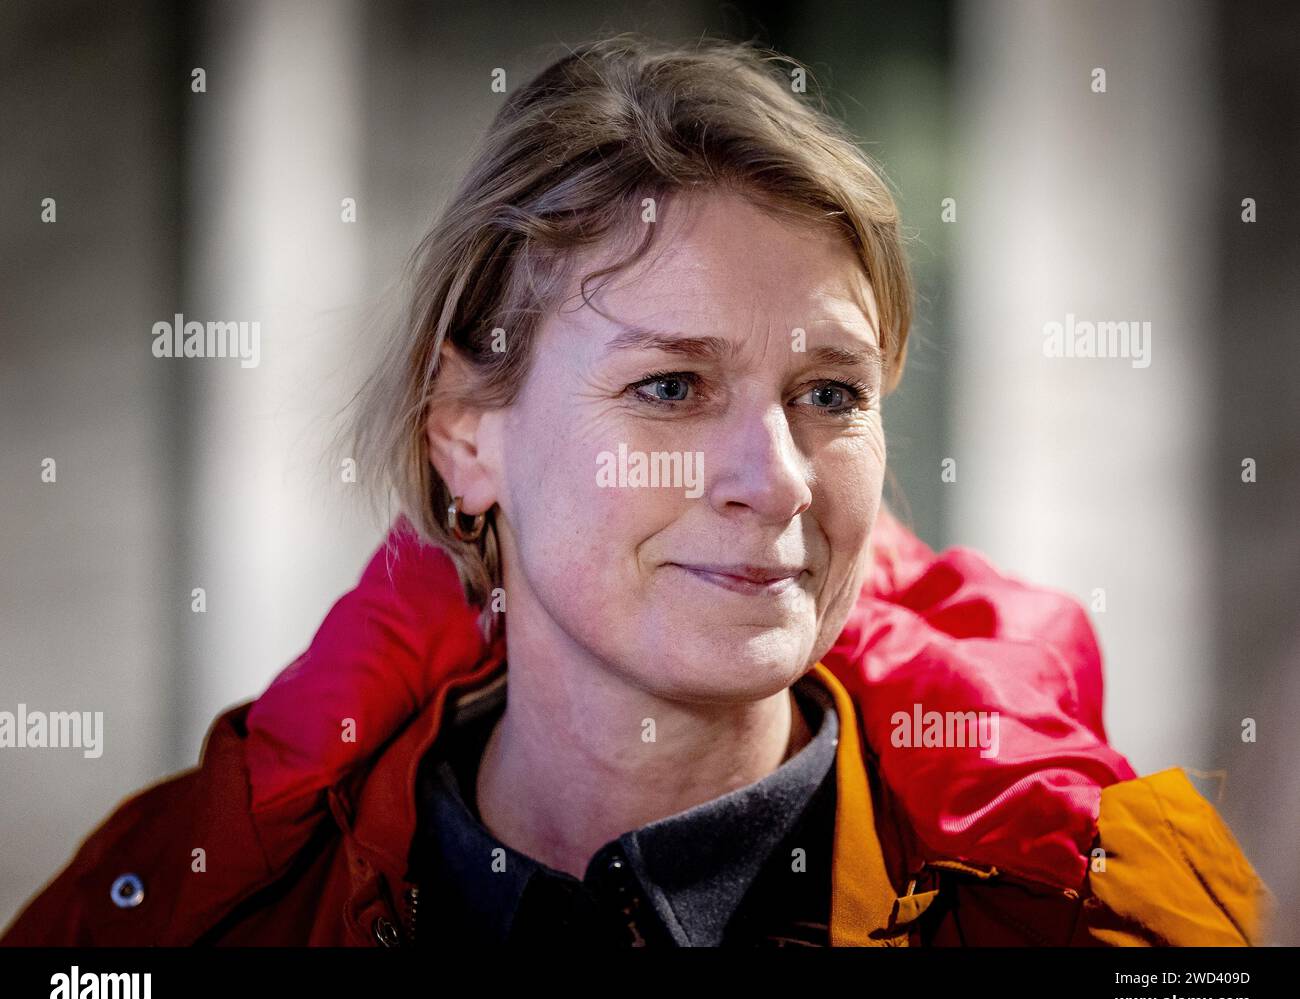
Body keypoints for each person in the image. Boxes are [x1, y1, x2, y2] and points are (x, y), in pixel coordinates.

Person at [1, 33, 1273, 948]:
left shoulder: (1086, 921)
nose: (774, 480)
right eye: (670, 387)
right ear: (465, 437)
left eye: (830, 393)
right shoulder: (182, 915)